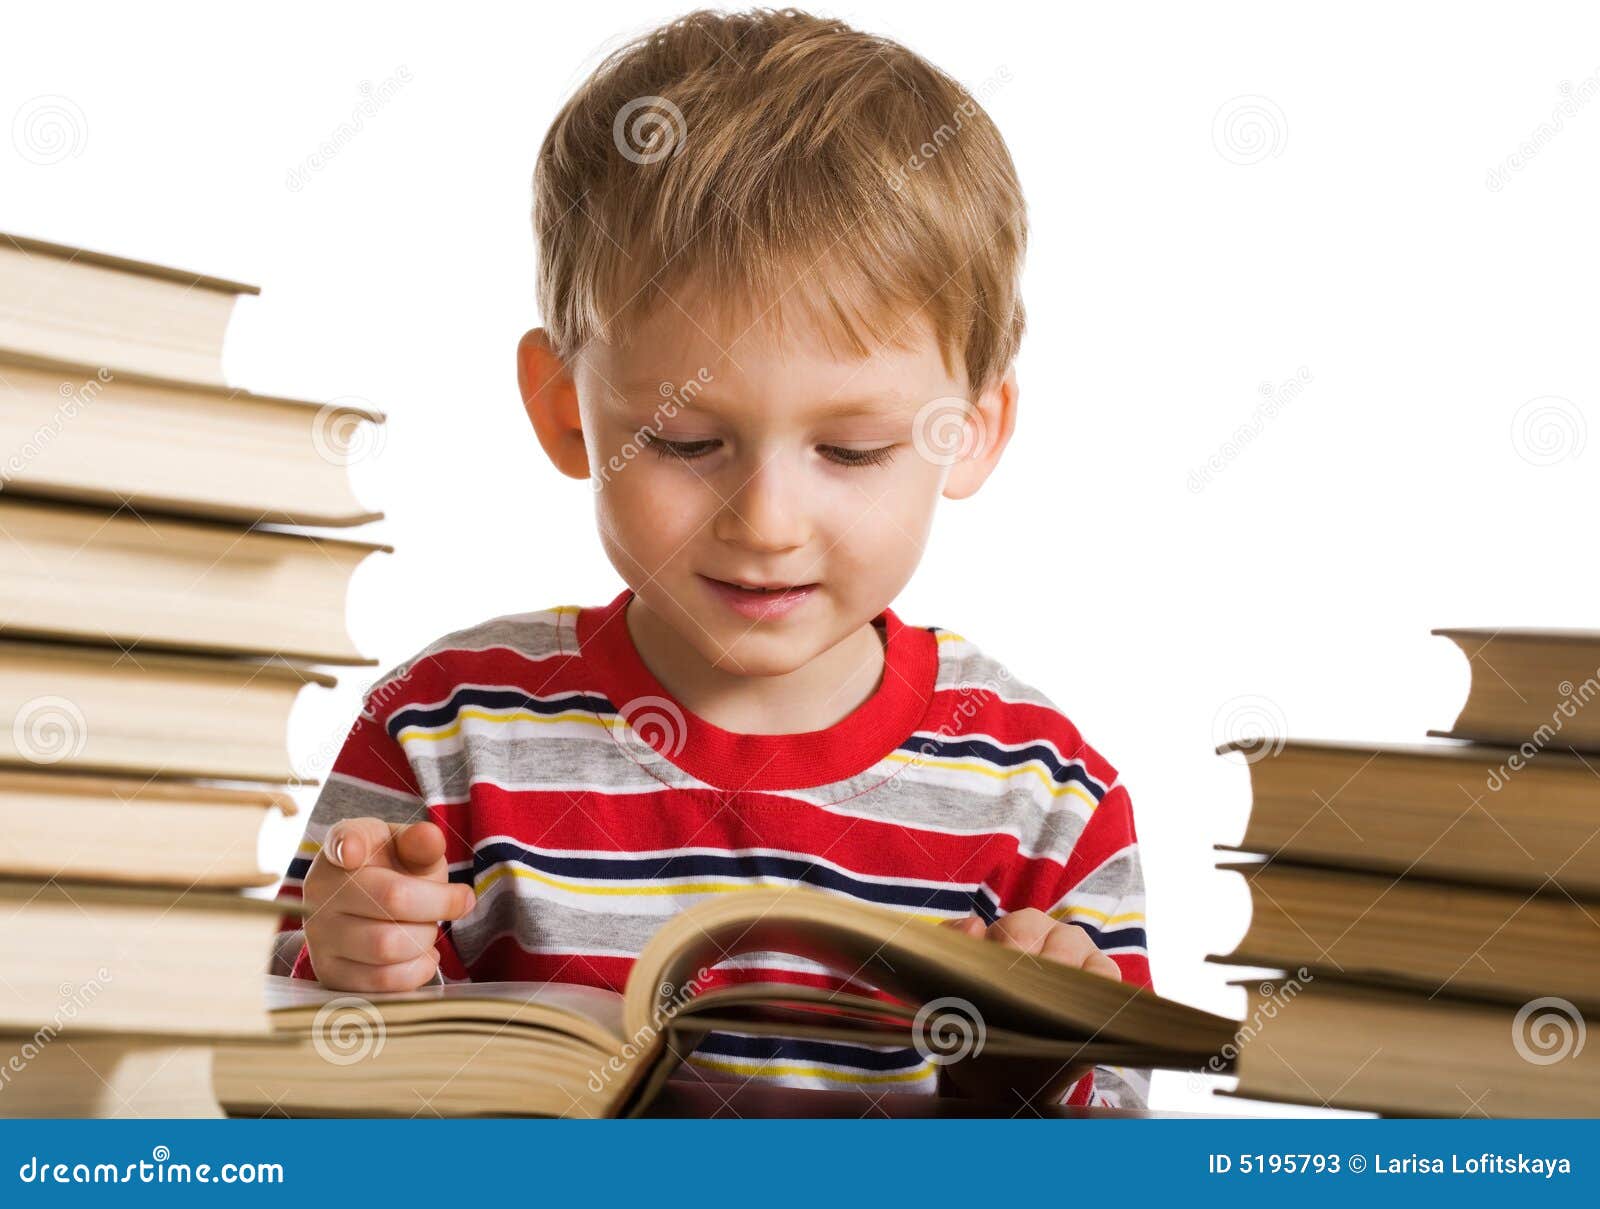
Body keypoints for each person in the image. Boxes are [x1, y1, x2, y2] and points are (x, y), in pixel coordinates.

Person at [272, 6, 1150, 1108]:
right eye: (688, 443)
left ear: (969, 431)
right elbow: (289, 1101)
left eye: (851, 447)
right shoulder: (440, 731)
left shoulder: (1045, 800)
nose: (766, 522)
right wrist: (357, 968)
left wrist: (1038, 1075)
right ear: (563, 409)